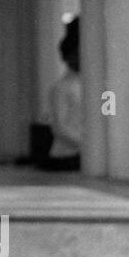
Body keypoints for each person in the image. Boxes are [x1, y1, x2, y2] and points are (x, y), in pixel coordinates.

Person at [42, 32, 81, 171]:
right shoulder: (60, 88)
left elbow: (108, 114)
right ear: (67, 57)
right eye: (76, 53)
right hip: (67, 155)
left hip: (89, 153)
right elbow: (59, 128)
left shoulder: (101, 88)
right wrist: (87, 144)